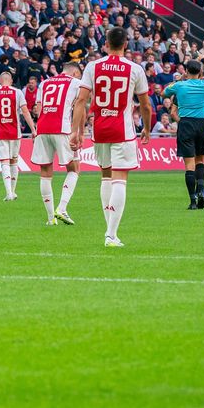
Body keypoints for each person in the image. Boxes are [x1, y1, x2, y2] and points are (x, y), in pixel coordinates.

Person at [70, 26, 152, 247]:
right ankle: (111, 235)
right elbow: (145, 105)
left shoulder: (93, 66)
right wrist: (146, 128)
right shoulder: (134, 69)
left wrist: (76, 131)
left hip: (100, 129)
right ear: (126, 44)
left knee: (106, 176)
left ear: (106, 44)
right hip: (122, 130)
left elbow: (81, 100)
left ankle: (110, 230)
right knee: (120, 179)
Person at [30, 62, 85, 226]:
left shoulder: (44, 83)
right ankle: (61, 208)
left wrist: (38, 128)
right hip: (62, 129)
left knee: (45, 171)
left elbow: (38, 108)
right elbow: (80, 106)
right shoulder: (76, 83)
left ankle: (50, 218)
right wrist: (79, 133)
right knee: (74, 168)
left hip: (43, 128)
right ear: (75, 73)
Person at [163, 59, 204, 210]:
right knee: (200, 160)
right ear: (200, 72)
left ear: (186, 71)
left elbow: (164, 93)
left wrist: (180, 79)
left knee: (189, 165)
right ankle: (201, 188)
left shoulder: (180, 85)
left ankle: (193, 200)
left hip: (186, 124)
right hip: (202, 124)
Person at [0, 70, 35, 201]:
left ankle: (8, 193)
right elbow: (25, 112)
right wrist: (33, 129)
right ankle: (13, 191)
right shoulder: (18, 92)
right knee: (14, 161)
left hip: (1, 132)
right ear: (11, 81)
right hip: (15, 132)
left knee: (4, 161)